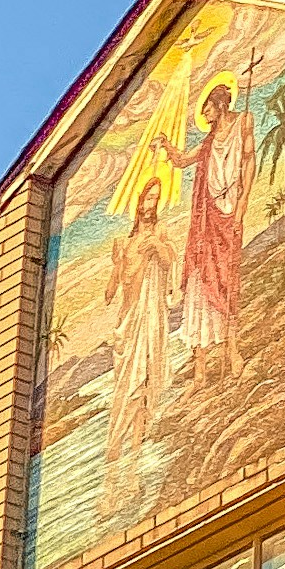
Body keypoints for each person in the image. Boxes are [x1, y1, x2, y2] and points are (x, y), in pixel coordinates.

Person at [177, 78, 256, 390]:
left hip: (229, 214)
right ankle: (199, 368)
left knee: (227, 281)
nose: (205, 115)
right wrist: (166, 146)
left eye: (207, 108)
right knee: (201, 282)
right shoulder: (208, 142)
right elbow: (183, 160)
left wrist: (243, 204)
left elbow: (249, 161)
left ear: (220, 104)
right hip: (206, 219)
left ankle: (233, 351)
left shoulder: (244, 122)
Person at [103, 176, 174, 474]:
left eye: (156, 199)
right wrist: (116, 267)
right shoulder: (124, 243)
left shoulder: (160, 233)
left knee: (144, 378)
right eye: (148, 198)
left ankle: (136, 446)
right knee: (127, 383)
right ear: (139, 202)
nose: (151, 204)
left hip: (150, 314)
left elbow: (169, 262)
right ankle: (116, 444)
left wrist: (157, 246)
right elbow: (112, 289)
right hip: (129, 319)